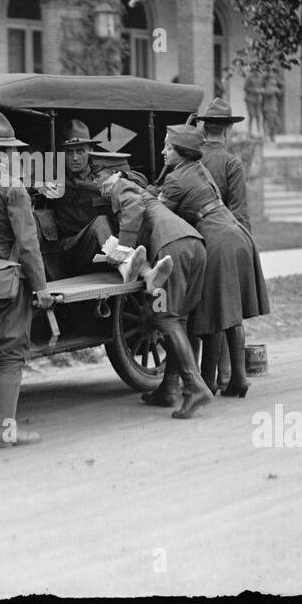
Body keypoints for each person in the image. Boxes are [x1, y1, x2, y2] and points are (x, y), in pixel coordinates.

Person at [153, 124, 269, 398]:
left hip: (216, 240)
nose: (163, 151)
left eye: (168, 147)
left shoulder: (175, 179)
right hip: (237, 236)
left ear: (181, 152)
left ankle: (205, 382)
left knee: (211, 312)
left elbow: (158, 211)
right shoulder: (198, 169)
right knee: (232, 312)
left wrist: (142, 194)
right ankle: (238, 380)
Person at [0, 112, 56, 448]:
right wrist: (42, 288)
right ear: (7, 153)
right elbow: (28, 243)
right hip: (9, 280)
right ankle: (6, 433)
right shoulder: (13, 187)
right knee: (11, 355)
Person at [101, 166, 216, 419]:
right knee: (179, 318)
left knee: (164, 318)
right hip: (193, 244)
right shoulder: (145, 192)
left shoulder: (122, 187)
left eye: (100, 176)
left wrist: (122, 248)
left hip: (170, 248)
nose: (100, 183)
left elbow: (132, 209)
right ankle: (169, 388)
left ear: (115, 174)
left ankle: (195, 387)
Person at [48, 119, 116, 275]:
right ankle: (124, 264)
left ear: (90, 150)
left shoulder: (102, 172)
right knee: (100, 221)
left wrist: (120, 176)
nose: (75, 158)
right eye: (69, 152)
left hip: (102, 245)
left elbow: (139, 180)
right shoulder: (55, 175)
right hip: (72, 248)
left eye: (80, 151)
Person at [193, 97, 250, 231]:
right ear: (228, 129)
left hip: (192, 234)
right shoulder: (232, 163)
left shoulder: (191, 157)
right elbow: (239, 213)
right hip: (221, 234)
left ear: (205, 129)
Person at [244, 72, 265, 138]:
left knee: (258, 115)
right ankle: (250, 132)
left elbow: (263, 87)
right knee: (251, 115)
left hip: (258, 99)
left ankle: (259, 132)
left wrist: (262, 90)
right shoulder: (249, 77)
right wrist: (255, 90)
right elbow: (245, 88)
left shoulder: (261, 77)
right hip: (250, 99)